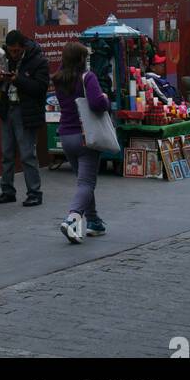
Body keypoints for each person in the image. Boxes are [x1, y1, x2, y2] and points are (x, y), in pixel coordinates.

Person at [54, 41, 110, 243]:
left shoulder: (59, 79)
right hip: (86, 136)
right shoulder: (88, 78)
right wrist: (105, 98)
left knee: (83, 182)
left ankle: (94, 222)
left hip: (66, 136)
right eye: (85, 57)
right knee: (86, 182)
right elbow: (97, 104)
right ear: (81, 59)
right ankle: (72, 219)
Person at [0, 29, 49, 207]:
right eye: (11, 50)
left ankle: (35, 192)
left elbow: (40, 88)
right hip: (8, 109)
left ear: (24, 47)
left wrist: (17, 80)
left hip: (26, 111)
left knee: (27, 154)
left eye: (17, 51)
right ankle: (7, 191)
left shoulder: (38, 61)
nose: (14, 54)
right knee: (6, 152)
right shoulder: (3, 57)